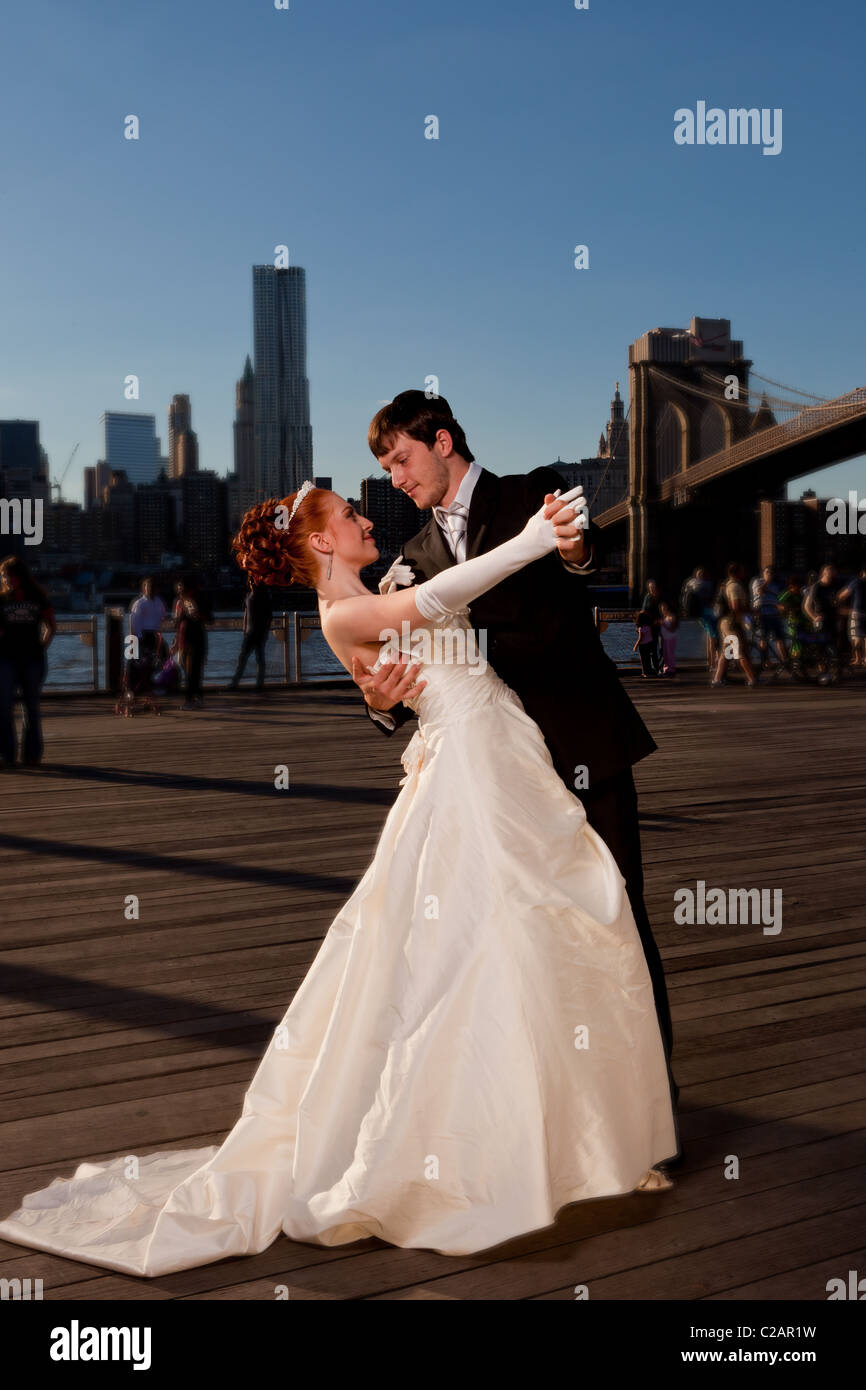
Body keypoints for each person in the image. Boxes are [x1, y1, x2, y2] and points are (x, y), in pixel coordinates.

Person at [0, 480, 679, 1276]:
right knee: (498, 940)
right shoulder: (348, 612)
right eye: (346, 513)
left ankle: (572, 1138)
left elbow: (425, 627)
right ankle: (491, 1148)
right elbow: (443, 597)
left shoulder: (381, 588)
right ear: (320, 542)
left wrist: (381, 682)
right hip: (474, 772)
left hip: (510, 753)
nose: (363, 516)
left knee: (557, 926)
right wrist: (531, 539)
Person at [359, 392, 676, 1097]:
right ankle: (556, 1105)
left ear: (442, 442)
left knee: (617, 917)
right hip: (493, 774)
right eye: (386, 469)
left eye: (402, 460)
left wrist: (575, 545)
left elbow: (580, 556)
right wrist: (381, 702)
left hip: (580, 743)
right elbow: (412, 670)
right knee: (518, 938)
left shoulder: (533, 490)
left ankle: (651, 1111)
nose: (397, 479)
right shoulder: (412, 556)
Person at [0, 556, 56, 769]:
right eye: (3, 575)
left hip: (32, 659)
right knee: (3, 706)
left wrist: (43, 646)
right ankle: (7, 754)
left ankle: (32, 754)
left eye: (8, 575)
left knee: (31, 707)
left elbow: (51, 625)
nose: (6, 579)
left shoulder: (38, 598)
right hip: (5, 658)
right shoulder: (1, 599)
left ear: (19, 576)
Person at [712, 562, 757, 687]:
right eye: (742, 571)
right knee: (740, 651)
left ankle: (717, 680)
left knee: (726, 653)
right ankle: (752, 679)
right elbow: (735, 607)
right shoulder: (734, 587)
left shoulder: (727, 584)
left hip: (726, 623)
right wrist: (751, 611)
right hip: (731, 624)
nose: (744, 573)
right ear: (737, 573)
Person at [172, 576, 211, 708]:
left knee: (192, 671)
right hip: (184, 640)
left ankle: (190, 699)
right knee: (189, 671)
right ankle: (197, 697)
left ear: (189, 589)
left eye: (182, 589)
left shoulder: (200, 599)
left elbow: (209, 619)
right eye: (178, 589)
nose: (180, 592)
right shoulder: (179, 603)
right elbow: (177, 624)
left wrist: (197, 613)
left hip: (196, 640)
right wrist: (175, 642)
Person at [229, 578, 273, 690]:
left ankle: (259, 683)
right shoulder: (248, 596)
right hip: (249, 632)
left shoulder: (264, 597)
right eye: (250, 582)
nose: (251, 584)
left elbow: (269, 617)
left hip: (259, 632)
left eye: (253, 582)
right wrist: (244, 629)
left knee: (258, 658)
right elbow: (246, 614)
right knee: (243, 658)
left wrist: (266, 632)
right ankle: (235, 682)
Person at [128, 576, 166, 662]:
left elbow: (163, 616)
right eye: (148, 586)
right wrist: (138, 639)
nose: (150, 588)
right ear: (144, 588)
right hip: (143, 635)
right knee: (144, 663)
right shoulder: (139, 603)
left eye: (152, 586)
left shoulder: (159, 602)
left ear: (155, 588)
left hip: (155, 635)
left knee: (161, 661)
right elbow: (134, 623)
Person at [838, 564, 866, 667]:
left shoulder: (856, 581)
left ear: (862, 572)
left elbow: (842, 595)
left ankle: (858, 659)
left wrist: (839, 602)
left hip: (857, 612)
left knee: (855, 636)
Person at [641, 578, 663, 673]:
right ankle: (656, 668)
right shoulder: (647, 598)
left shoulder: (662, 597)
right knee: (653, 648)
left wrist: (661, 620)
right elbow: (644, 611)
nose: (652, 589)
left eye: (653, 587)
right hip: (651, 626)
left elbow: (667, 610)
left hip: (662, 625)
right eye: (650, 588)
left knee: (663, 647)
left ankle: (662, 666)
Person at [633, 609, 657, 676]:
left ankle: (644, 673)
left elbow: (640, 638)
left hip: (643, 646)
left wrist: (635, 646)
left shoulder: (641, 628)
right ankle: (649, 671)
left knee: (643, 660)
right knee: (648, 659)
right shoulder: (649, 627)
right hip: (649, 644)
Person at [659, 601, 679, 676]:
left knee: (670, 654)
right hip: (665, 638)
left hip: (671, 638)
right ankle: (666, 669)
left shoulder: (672, 617)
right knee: (665, 654)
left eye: (664, 609)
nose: (663, 611)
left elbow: (672, 629)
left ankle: (671, 669)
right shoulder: (665, 617)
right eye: (662, 609)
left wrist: (663, 624)